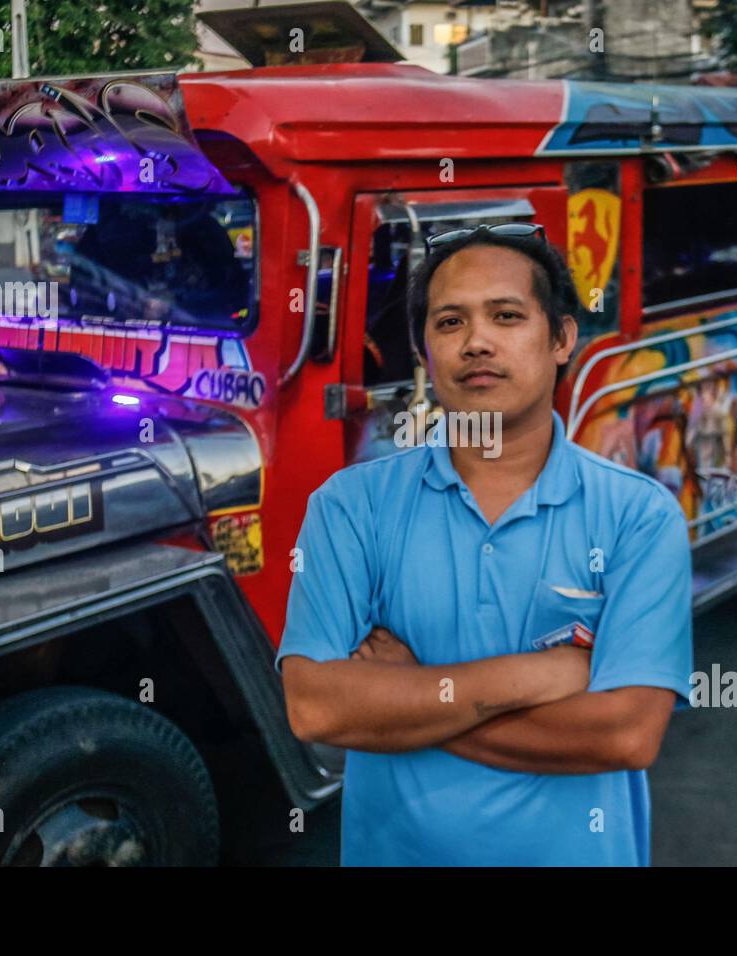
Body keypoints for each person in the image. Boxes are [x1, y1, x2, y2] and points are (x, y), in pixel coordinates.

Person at [275, 223, 694, 866]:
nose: (476, 342)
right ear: (423, 351)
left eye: (506, 315)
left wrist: (409, 697)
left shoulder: (639, 516)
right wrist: (541, 674)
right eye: (449, 323)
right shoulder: (349, 507)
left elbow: (626, 734)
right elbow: (316, 708)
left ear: (561, 338)